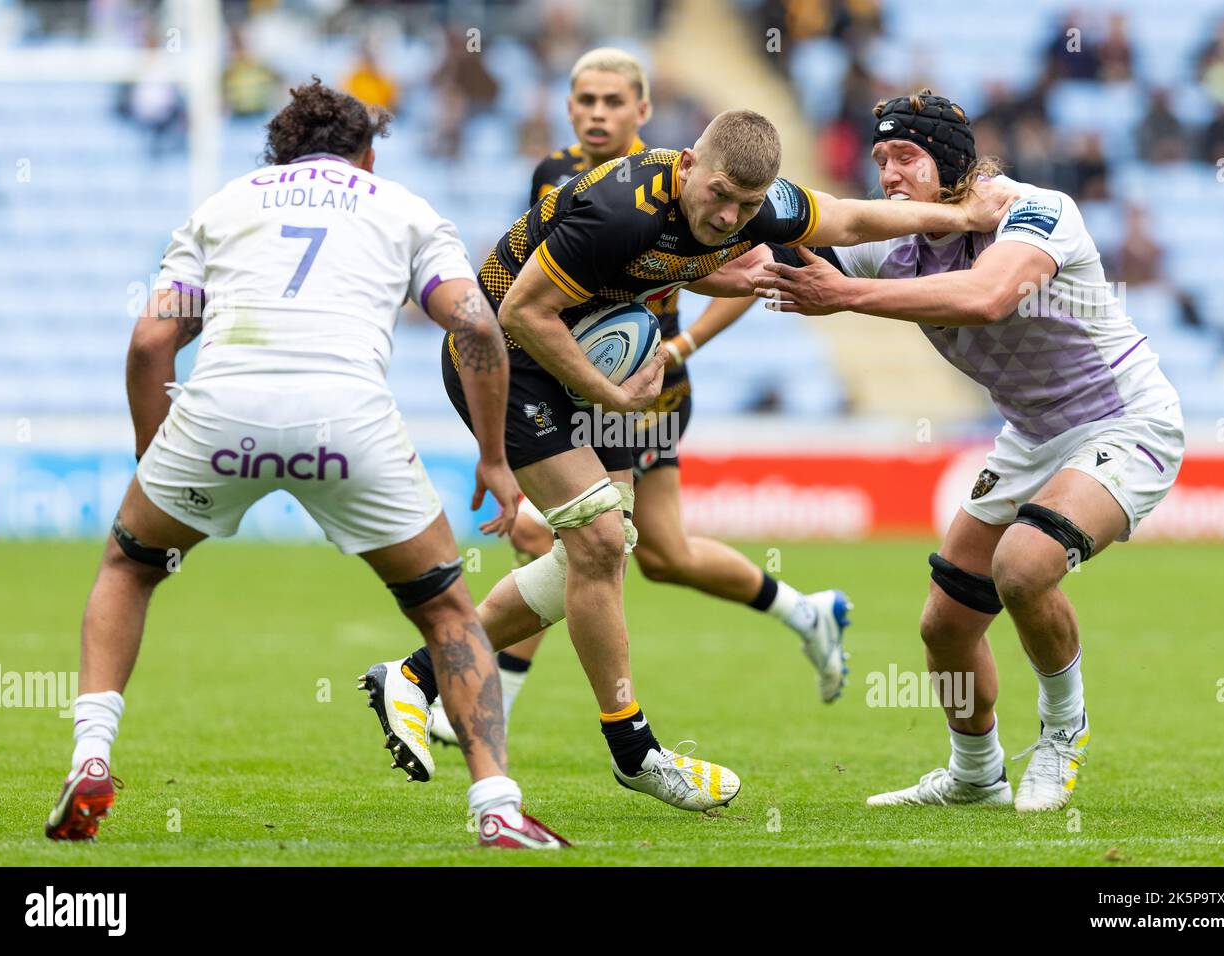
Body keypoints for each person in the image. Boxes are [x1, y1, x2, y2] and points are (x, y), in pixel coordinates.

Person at [363, 105, 1016, 813]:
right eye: (720, 195)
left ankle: (416, 675)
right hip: (504, 357)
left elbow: (850, 220)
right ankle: (633, 749)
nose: (730, 216)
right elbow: (522, 312)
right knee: (600, 541)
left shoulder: (753, 205)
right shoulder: (619, 210)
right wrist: (611, 395)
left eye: (748, 206)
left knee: (598, 552)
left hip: (591, 349)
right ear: (687, 166)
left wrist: (957, 216)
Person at [44, 80, 567, 850]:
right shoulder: (405, 209)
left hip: (223, 411)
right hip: (346, 421)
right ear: (368, 156)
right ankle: (497, 808)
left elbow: (151, 342)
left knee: (128, 568)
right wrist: (494, 459)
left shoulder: (221, 206)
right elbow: (477, 327)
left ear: (276, 154)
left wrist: (154, 454)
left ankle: (91, 759)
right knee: (447, 613)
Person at [726, 89, 1183, 812]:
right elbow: (760, 259)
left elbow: (987, 297)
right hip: (1031, 436)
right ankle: (976, 775)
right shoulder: (892, 243)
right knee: (945, 626)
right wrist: (657, 256)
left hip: (1124, 421)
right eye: (880, 158)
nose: (889, 172)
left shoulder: (1036, 210)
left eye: (906, 155)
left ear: (951, 162)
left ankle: (1064, 732)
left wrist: (846, 296)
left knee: (1023, 567)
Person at [426, 48, 854, 756]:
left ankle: (471, 687)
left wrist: (678, 350)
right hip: (573, 375)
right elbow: (540, 290)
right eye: (585, 100)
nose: (598, 114)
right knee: (624, 548)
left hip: (646, 385)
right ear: (568, 106)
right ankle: (803, 612)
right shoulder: (557, 175)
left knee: (626, 546)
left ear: (643, 111)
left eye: (613, 101)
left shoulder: (697, 184)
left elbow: (748, 272)